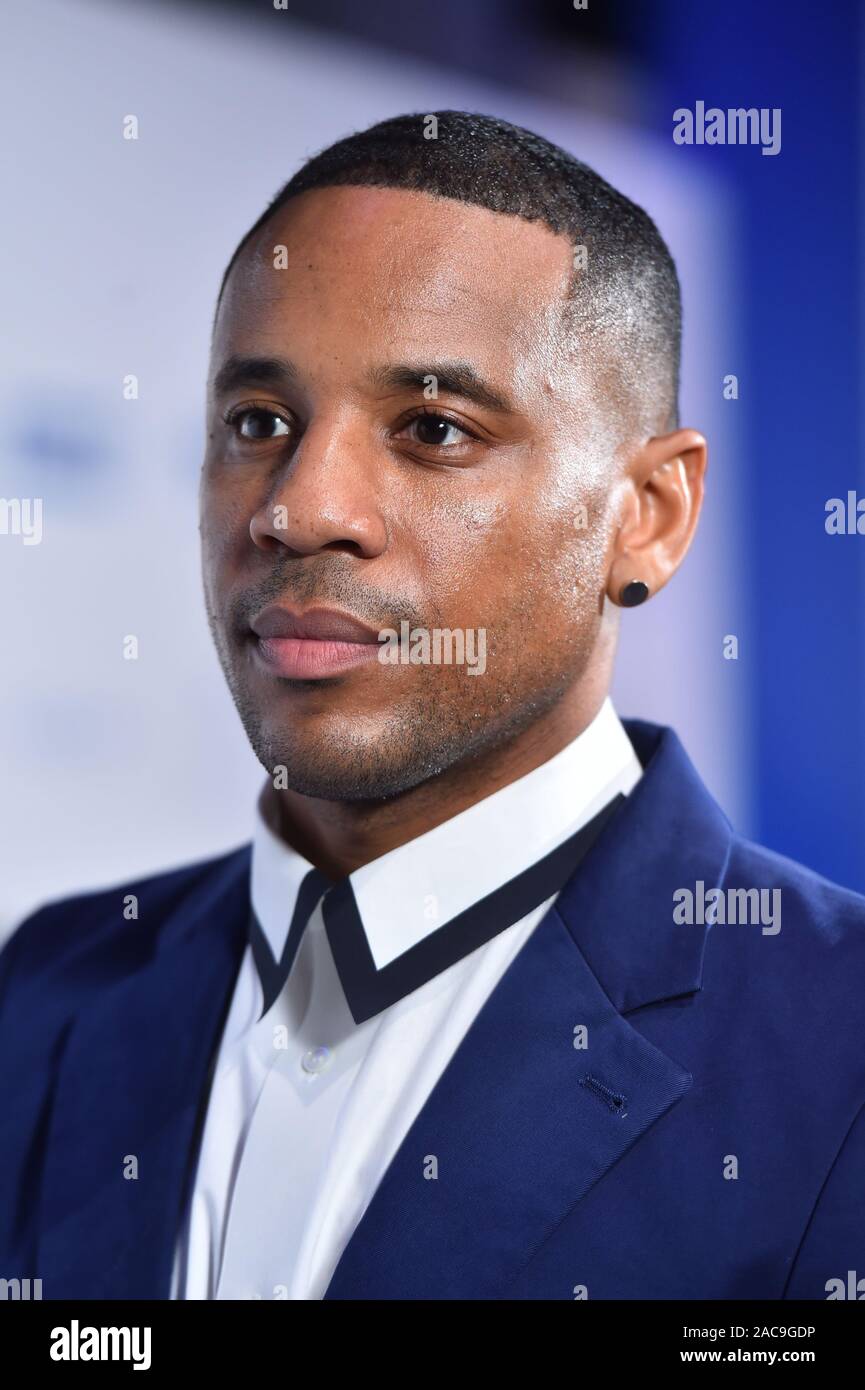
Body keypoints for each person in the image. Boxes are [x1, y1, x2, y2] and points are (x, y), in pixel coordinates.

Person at [1, 112, 863, 1302]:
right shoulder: (47, 985)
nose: (301, 509)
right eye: (259, 423)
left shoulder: (841, 1048)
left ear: (648, 516)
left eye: (434, 430)